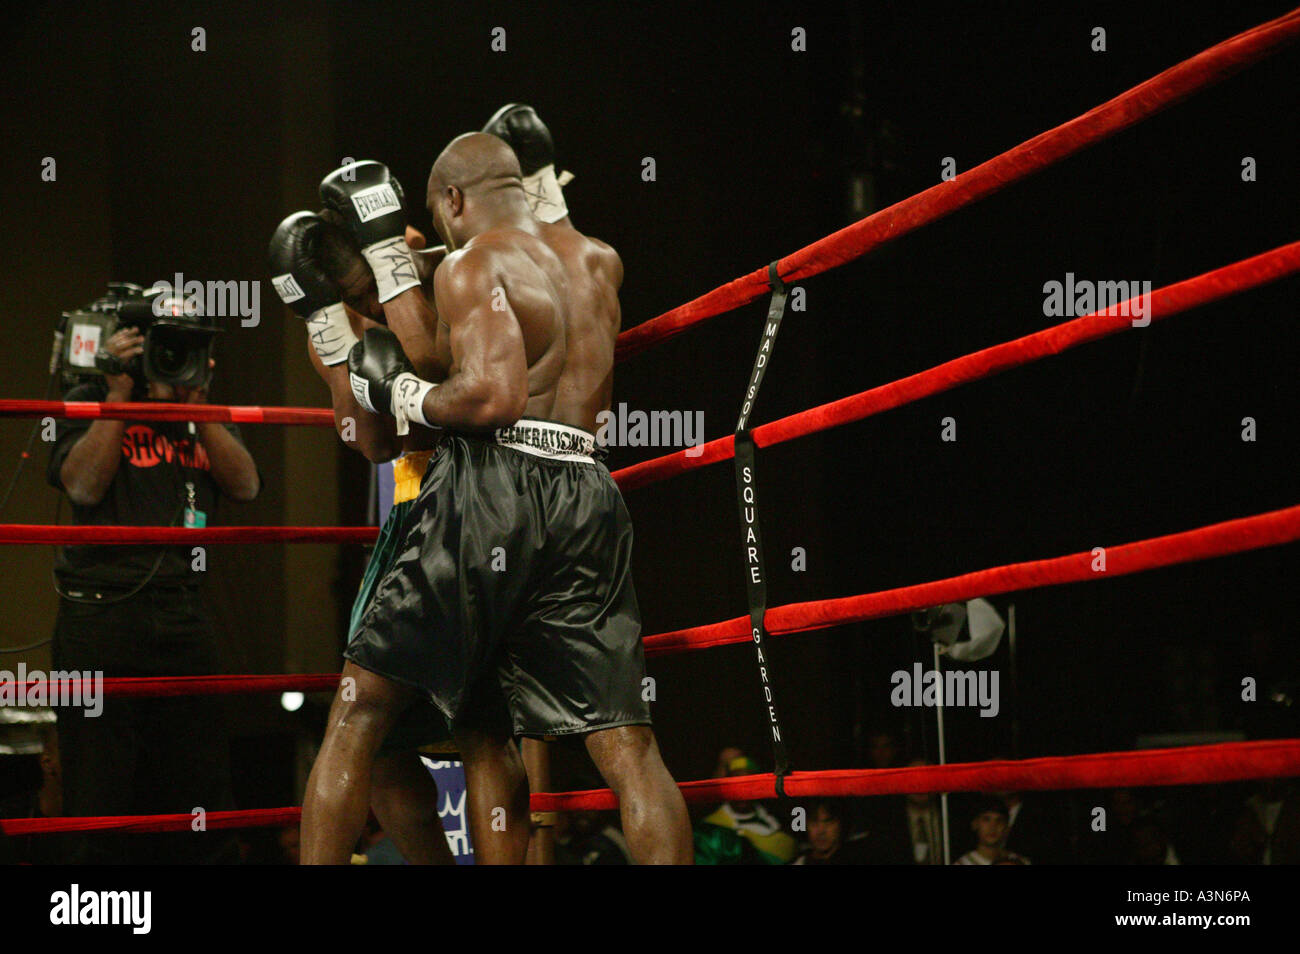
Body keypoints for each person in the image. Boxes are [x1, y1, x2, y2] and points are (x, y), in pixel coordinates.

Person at [305, 131, 691, 864]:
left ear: (451, 202)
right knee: (627, 747)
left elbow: (484, 396)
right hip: (588, 491)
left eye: (428, 218)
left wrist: (403, 391)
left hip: (486, 492)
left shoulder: (467, 262)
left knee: (358, 714)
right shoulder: (597, 260)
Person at [270, 209, 454, 865]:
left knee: (377, 727)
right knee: (385, 753)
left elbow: (438, 370)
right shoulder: (345, 318)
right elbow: (362, 437)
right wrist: (327, 319)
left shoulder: (439, 270)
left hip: (474, 501)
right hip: (410, 513)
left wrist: (401, 270)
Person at [47, 307, 260, 863]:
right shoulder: (89, 391)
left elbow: (246, 484)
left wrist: (197, 404)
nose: (173, 358)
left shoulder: (197, 406)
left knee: (201, 785)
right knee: (98, 789)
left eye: (185, 346)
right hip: (100, 613)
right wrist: (117, 396)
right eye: (164, 346)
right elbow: (84, 487)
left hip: (182, 610)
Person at [695, 755, 798, 864]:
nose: (742, 790)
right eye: (736, 783)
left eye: (748, 784)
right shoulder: (711, 829)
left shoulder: (781, 820)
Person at [791, 799, 875, 864]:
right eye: (814, 822)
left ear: (841, 824)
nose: (821, 831)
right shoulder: (799, 861)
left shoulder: (859, 858)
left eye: (829, 822)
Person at [954, 797, 1029, 865]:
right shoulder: (963, 863)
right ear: (975, 824)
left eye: (999, 821)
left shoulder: (1021, 862)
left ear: (1007, 828)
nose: (993, 827)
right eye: (986, 819)